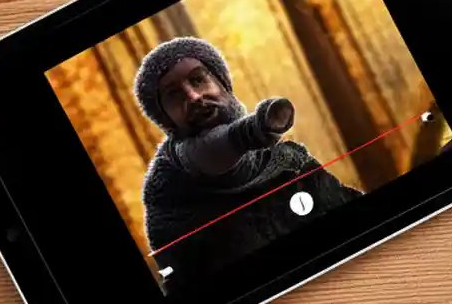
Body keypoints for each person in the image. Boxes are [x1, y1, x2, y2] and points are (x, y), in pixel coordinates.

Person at [134, 37, 361, 287]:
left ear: (222, 83)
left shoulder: (288, 162)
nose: (194, 96)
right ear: (167, 120)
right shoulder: (169, 203)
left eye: (198, 80)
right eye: (174, 95)